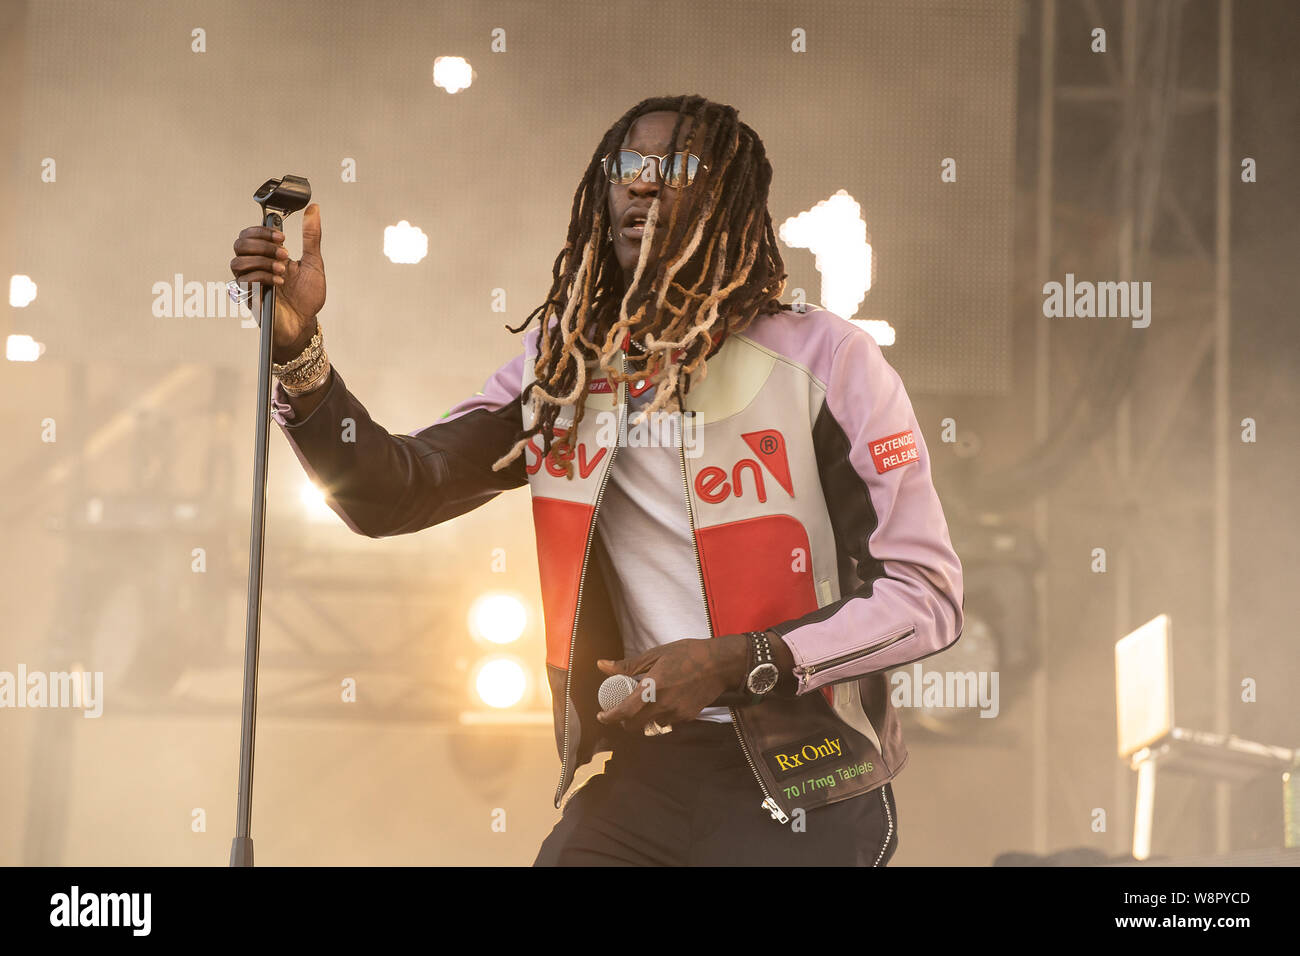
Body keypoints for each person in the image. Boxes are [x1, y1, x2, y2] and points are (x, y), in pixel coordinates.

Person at [228, 94, 963, 866]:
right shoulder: (568, 367)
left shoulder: (830, 360)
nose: (642, 186)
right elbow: (394, 492)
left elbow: (925, 594)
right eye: (627, 168)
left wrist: (736, 659)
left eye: (675, 168)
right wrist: (298, 352)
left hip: (810, 773)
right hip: (650, 771)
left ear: (726, 200)